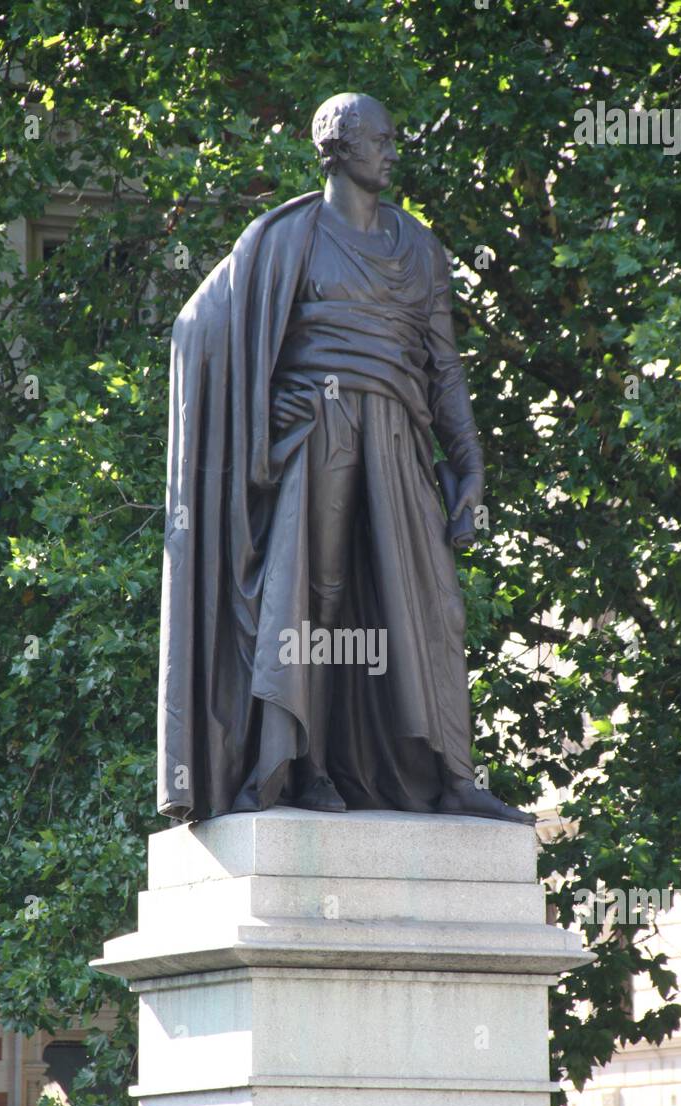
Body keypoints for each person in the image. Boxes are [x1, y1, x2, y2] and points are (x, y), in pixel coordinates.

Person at [157, 92, 534, 827]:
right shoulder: (283, 241)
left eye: (393, 137)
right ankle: (302, 767)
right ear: (339, 148)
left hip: (397, 435)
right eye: (381, 139)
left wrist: (470, 463)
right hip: (318, 433)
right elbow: (202, 329)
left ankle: (453, 775)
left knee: (434, 605)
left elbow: (443, 367)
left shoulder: (418, 246)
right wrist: (259, 419)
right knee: (315, 600)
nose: (393, 151)